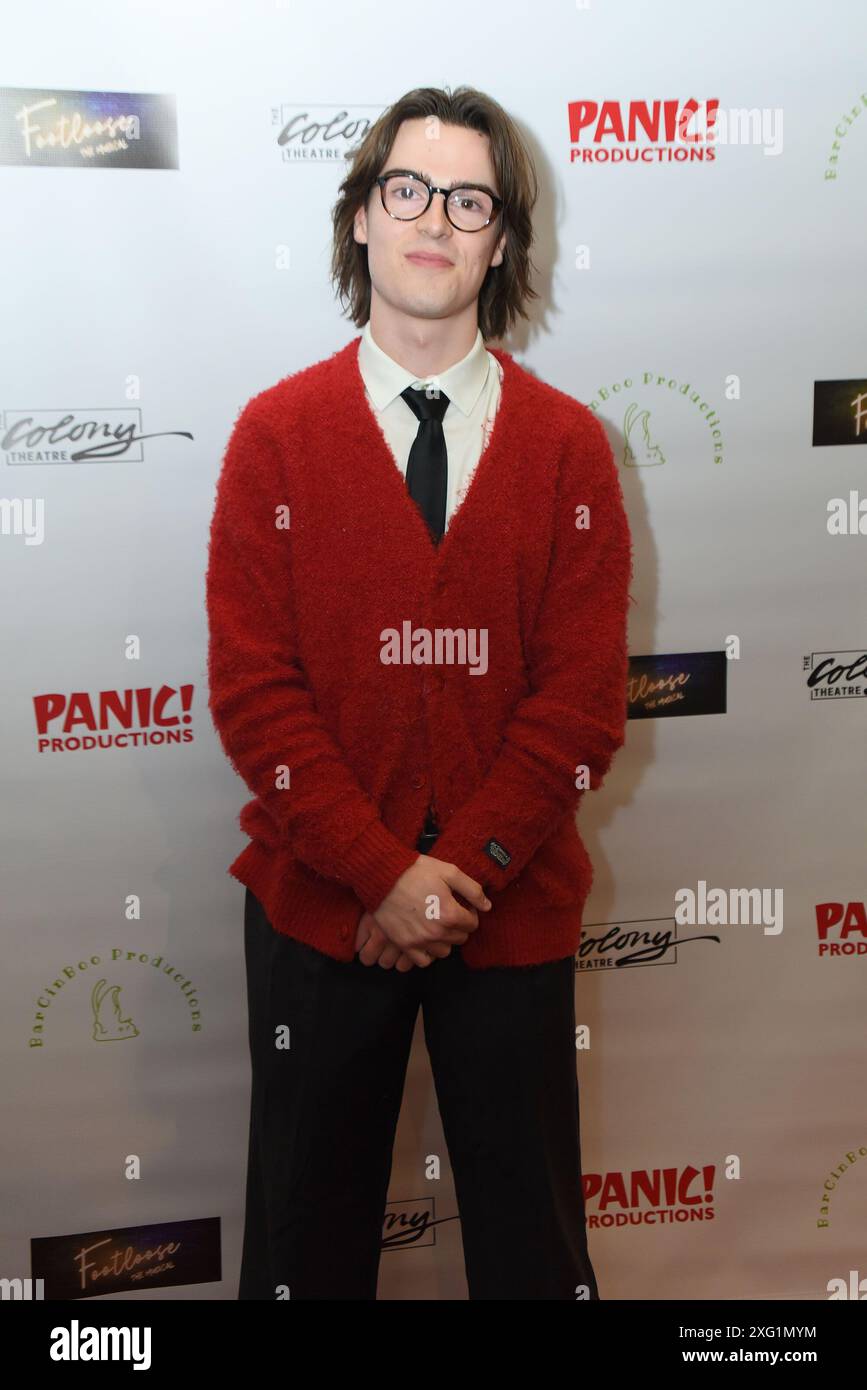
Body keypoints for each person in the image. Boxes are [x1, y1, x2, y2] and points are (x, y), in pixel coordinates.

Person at [205, 84, 632, 1300]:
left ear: (500, 240)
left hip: (514, 905)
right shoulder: (273, 437)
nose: (433, 219)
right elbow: (254, 691)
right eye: (407, 190)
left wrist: (466, 868)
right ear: (359, 220)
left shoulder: (569, 451)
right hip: (317, 910)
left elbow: (583, 703)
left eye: (469, 199)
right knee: (303, 1250)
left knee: (534, 1251)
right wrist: (380, 875)